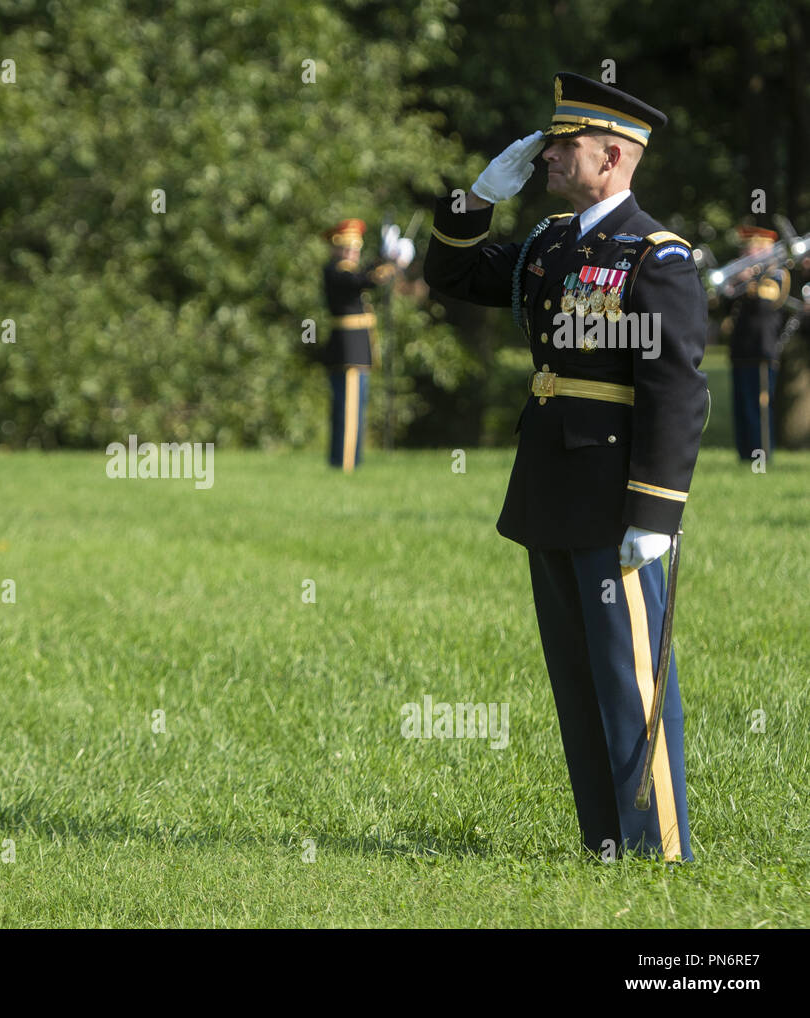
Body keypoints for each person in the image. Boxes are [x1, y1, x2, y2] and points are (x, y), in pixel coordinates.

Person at [424, 72, 708, 862]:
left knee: (629, 676)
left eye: (565, 147)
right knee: (578, 679)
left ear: (612, 158)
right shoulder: (553, 243)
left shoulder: (657, 257)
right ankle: (606, 842)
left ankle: (658, 848)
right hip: (550, 484)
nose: (547, 156)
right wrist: (476, 199)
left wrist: (656, 513)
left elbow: (676, 392)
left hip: (616, 496)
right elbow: (451, 275)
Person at [319, 219, 395, 471]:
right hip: (348, 348)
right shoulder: (334, 272)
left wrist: (383, 261)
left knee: (354, 407)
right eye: (347, 247)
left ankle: (347, 460)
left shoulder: (349, 272)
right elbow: (359, 281)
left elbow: (363, 276)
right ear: (335, 247)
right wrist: (380, 269)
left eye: (355, 248)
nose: (352, 252)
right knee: (348, 410)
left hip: (358, 348)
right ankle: (345, 463)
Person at [724, 225, 790, 461]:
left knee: (759, 408)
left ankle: (760, 456)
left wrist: (749, 279)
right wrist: (732, 286)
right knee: (742, 407)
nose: (745, 253)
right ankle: (744, 455)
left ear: (763, 248)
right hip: (741, 349)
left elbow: (764, 304)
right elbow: (726, 308)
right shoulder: (746, 275)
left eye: (750, 248)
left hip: (762, 349)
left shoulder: (776, 273)